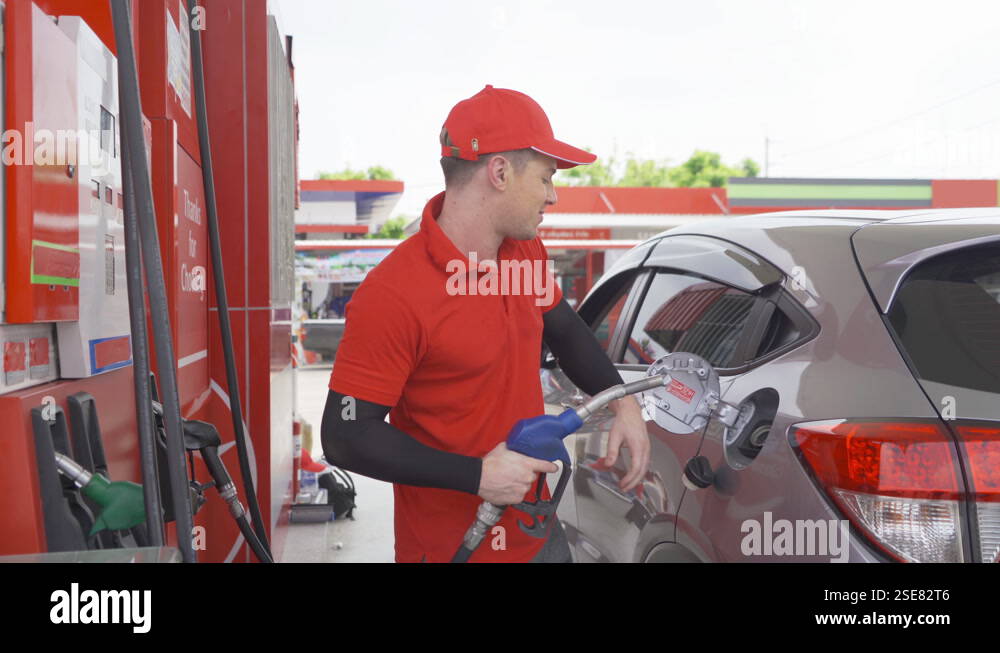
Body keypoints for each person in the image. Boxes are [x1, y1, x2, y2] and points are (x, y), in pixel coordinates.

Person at [322, 85, 649, 563]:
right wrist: (477, 475)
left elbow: (564, 328)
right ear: (499, 172)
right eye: (545, 178)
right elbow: (345, 435)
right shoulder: (394, 294)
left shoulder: (524, 251)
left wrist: (624, 404)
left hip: (536, 532)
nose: (553, 196)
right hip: (454, 546)